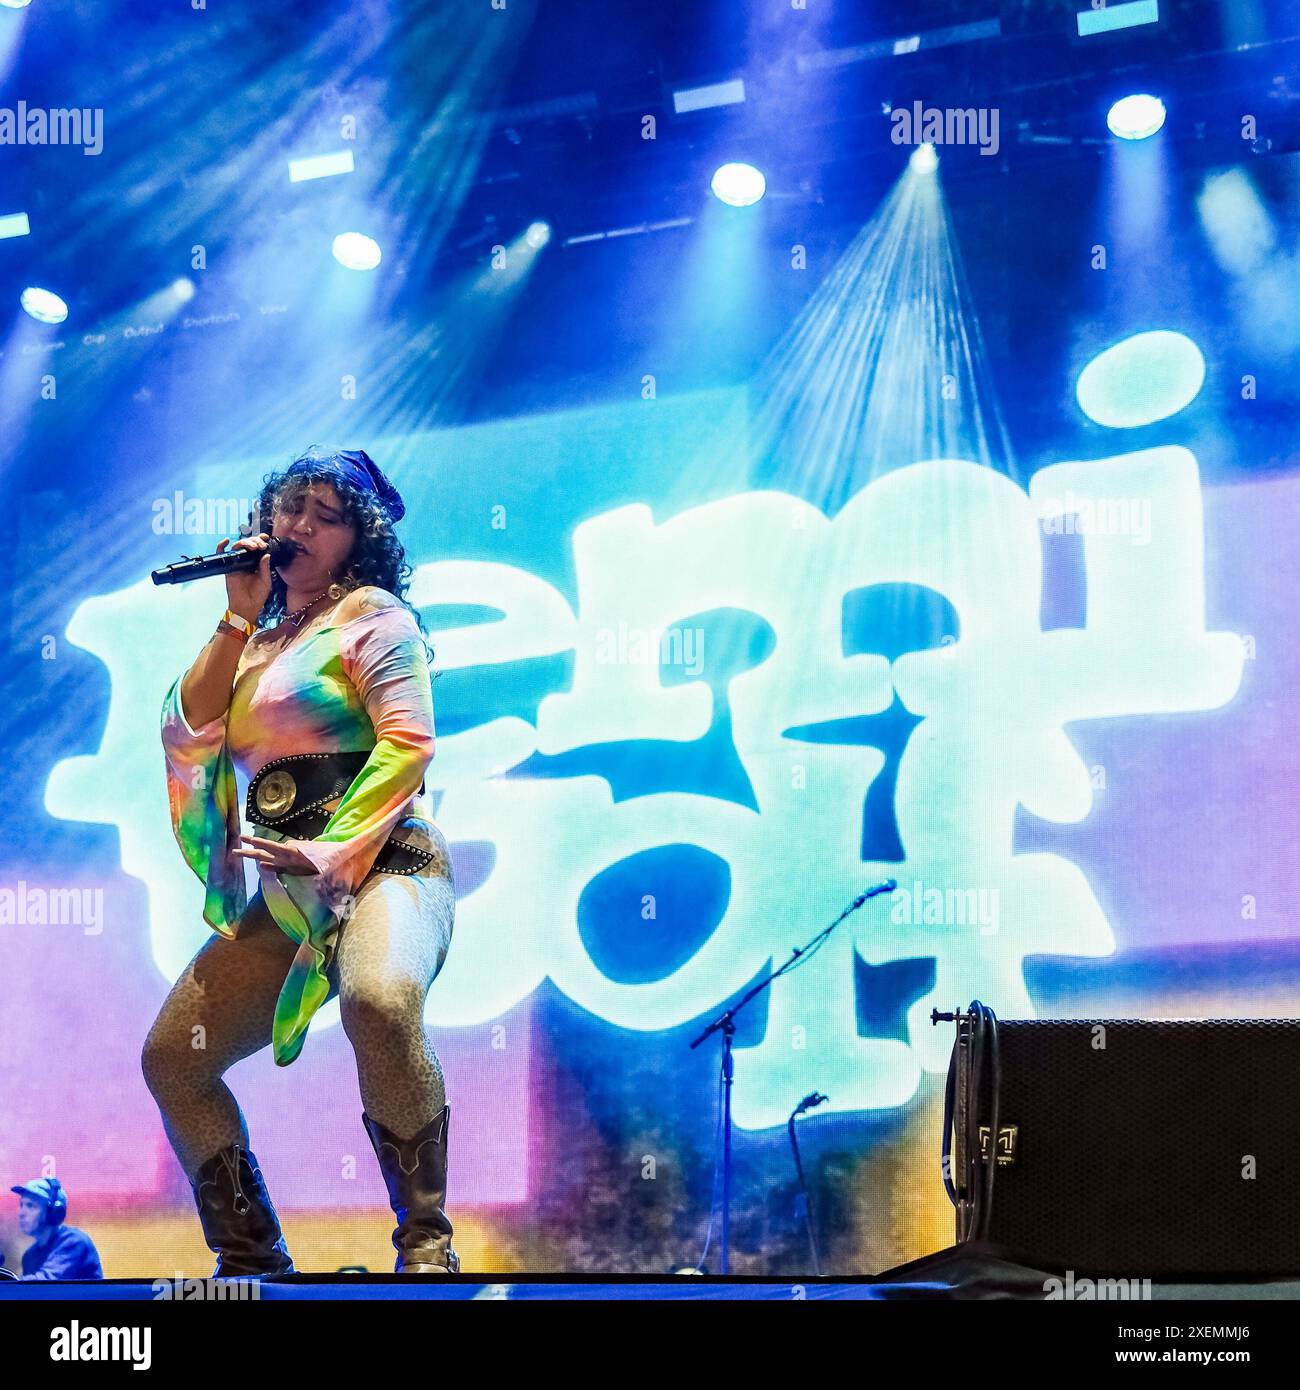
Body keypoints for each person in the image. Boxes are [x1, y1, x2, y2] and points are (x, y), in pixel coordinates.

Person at [142, 445, 459, 1276]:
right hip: (288, 891)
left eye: (328, 515)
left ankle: (426, 1244)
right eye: (291, 509)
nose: (302, 525)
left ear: (359, 541)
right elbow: (191, 733)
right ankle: (252, 1257)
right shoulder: (251, 640)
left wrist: (336, 849)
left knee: (381, 1000)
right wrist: (237, 614)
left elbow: (410, 741)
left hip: (388, 857)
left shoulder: (371, 616)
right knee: (175, 1057)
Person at [10, 1178, 103, 1280]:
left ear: (53, 1212)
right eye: (21, 1205)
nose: (21, 1213)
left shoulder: (74, 1242)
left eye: (30, 1206)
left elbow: (46, 1283)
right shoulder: (30, 1256)